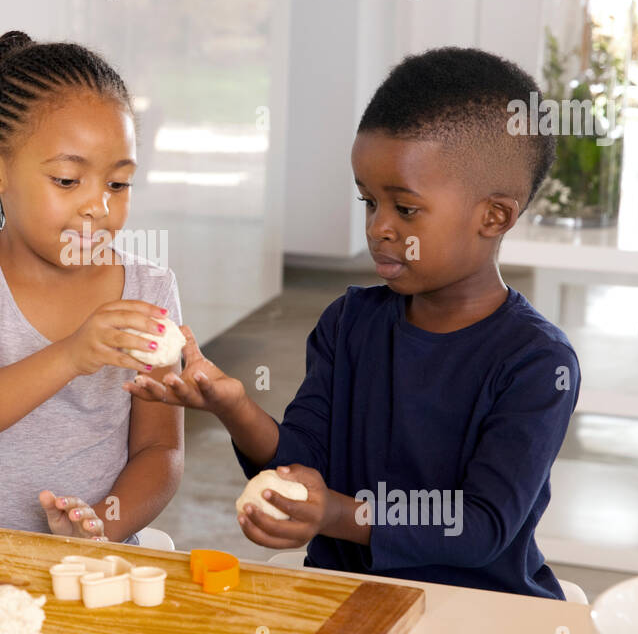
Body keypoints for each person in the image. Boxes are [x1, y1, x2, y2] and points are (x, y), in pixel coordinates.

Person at [128, 46, 580, 598]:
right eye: (369, 202)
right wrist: (233, 406)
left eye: (405, 209)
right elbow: (304, 461)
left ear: (495, 216)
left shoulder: (536, 363)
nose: (379, 228)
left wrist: (336, 514)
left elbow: (481, 526)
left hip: (478, 612)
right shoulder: (350, 322)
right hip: (342, 598)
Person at [0, 31, 184, 545]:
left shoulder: (149, 288)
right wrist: (74, 354)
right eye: (67, 180)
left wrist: (100, 527)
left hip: (88, 558)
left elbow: (160, 449)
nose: (97, 206)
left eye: (117, 184)